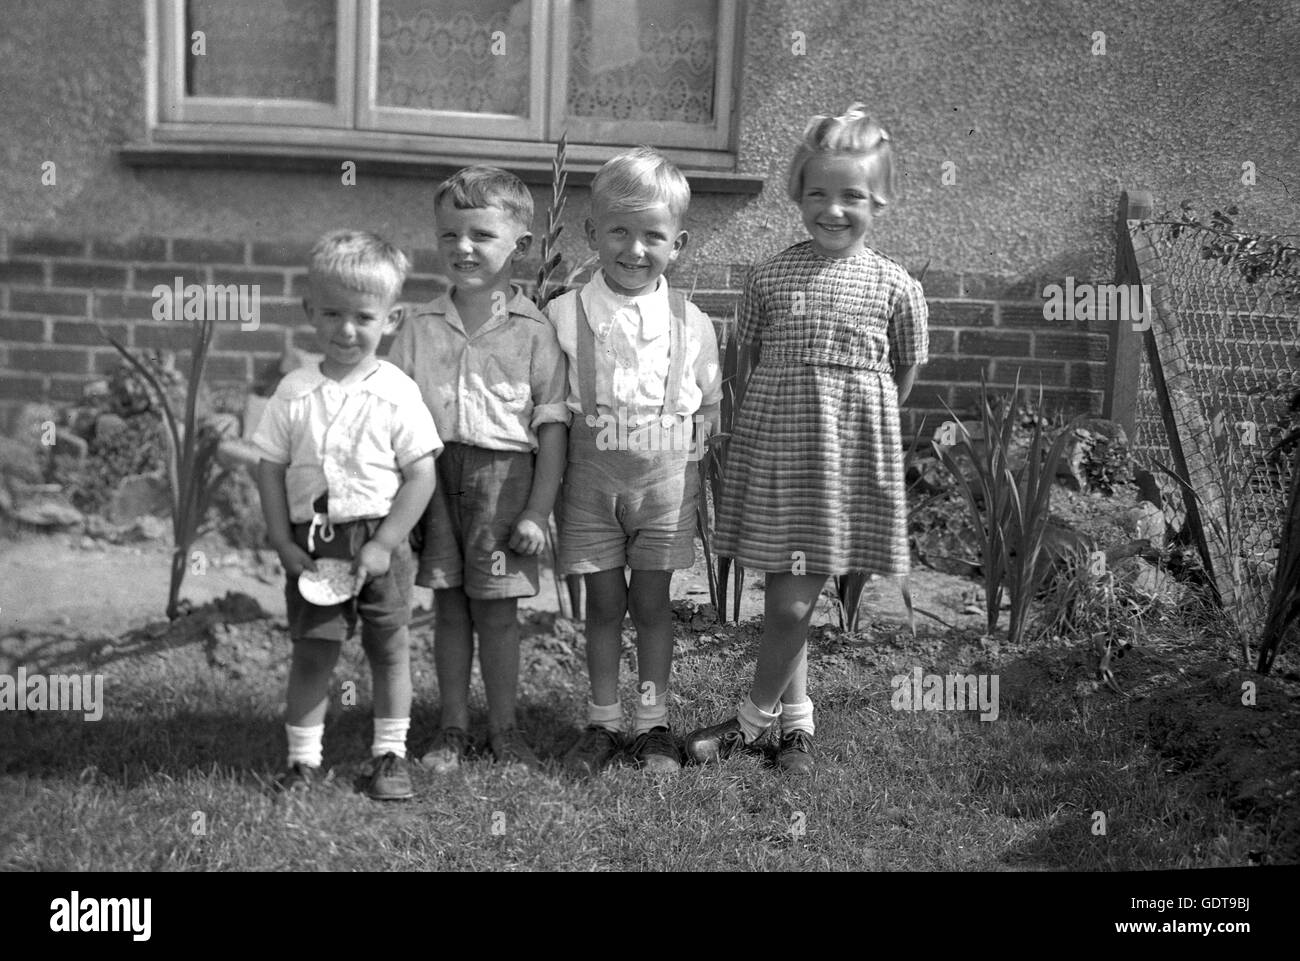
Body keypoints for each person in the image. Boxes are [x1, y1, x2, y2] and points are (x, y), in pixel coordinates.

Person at [685, 105, 929, 774]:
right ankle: (798, 726)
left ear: (879, 199)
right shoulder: (767, 278)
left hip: (842, 467)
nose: (833, 208)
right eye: (818, 192)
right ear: (797, 193)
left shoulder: (896, 287)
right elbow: (747, 361)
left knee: (795, 601)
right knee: (781, 596)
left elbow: (902, 371)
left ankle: (748, 723)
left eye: (852, 194)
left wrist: (853, 423)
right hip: (775, 457)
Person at [546, 147, 722, 775]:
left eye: (653, 235)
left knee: (651, 606)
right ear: (592, 232)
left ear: (678, 242)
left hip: (664, 485)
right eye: (619, 230)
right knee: (602, 605)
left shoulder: (692, 323)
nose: (635, 248)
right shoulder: (564, 317)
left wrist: (686, 468)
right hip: (592, 481)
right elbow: (550, 409)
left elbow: (707, 409)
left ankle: (652, 725)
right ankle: (601, 721)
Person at [387, 166, 568, 773]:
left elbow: (551, 428)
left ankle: (506, 729)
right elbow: (393, 417)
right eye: (449, 235)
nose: (463, 248)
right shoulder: (417, 327)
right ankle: (451, 728)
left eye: (481, 236)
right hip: (433, 479)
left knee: (496, 610)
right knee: (447, 606)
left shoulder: (535, 333)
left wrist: (538, 512)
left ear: (520, 245)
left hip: (505, 484)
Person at [253, 230, 440, 800]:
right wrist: (284, 542)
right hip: (316, 542)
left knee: (388, 646)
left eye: (363, 316)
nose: (346, 330)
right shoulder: (295, 391)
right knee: (315, 649)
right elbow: (268, 468)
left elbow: (421, 474)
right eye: (331, 313)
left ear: (392, 317)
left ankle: (389, 756)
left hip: (380, 538)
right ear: (310, 311)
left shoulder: (396, 391)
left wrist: (386, 542)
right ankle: (303, 762)